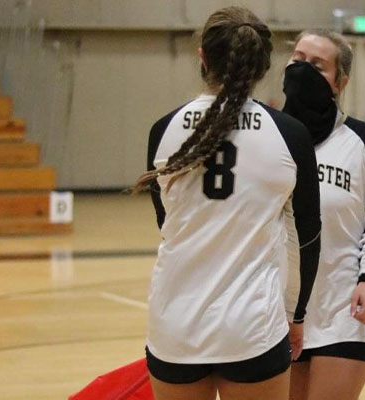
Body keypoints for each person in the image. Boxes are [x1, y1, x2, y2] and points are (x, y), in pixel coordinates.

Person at [133, 7, 321, 400]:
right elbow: (305, 238)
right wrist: (297, 315)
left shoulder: (163, 130)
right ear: (263, 66)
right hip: (251, 328)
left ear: (202, 57)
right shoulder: (289, 135)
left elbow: (165, 221)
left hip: (176, 326)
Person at [281, 30, 365, 400]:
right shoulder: (269, 137)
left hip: (344, 310)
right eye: (297, 59)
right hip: (279, 311)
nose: (303, 70)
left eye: (317, 65)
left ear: (340, 81)